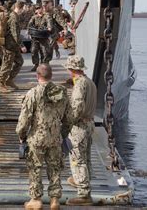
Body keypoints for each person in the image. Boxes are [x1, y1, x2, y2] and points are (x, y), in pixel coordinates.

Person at [16, 64, 72, 210]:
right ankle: (54, 200)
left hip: (36, 138)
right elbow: (69, 118)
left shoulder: (32, 94)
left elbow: (24, 120)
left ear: (37, 76)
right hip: (55, 138)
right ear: (51, 75)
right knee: (55, 169)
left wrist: (21, 136)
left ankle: (36, 200)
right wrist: (63, 134)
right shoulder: (63, 92)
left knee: (35, 168)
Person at [64, 55, 97, 206]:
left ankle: (84, 193)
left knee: (77, 159)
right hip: (90, 123)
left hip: (79, 126)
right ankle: (81, 180)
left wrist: (67, 122)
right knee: (86, 155)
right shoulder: (90, 82)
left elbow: (77, 107)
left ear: (71, 69)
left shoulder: (79, 84)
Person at [0, 1, 26, 93]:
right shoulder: (13, 17)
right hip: (10, 45)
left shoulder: (15, 16)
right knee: (7, 64)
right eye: (24, 8)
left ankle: (9, 80)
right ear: (21, 7)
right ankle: (1, 84)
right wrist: (22, 46)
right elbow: (15, 34)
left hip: (14, 45)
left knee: (19, 62)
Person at [28, 4, 53, 71]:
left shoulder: (46, 16)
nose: (38, 10)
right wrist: (29, 33)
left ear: (42, 9)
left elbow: (49, 23)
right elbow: (29, 25)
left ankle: (44, 65)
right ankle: (36, 65)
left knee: (45, 52)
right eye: (37, 8)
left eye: (39, 8)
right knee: (34, 51)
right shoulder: (34, 17)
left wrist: (49, 27)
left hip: (44, 37)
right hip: (35, 37)